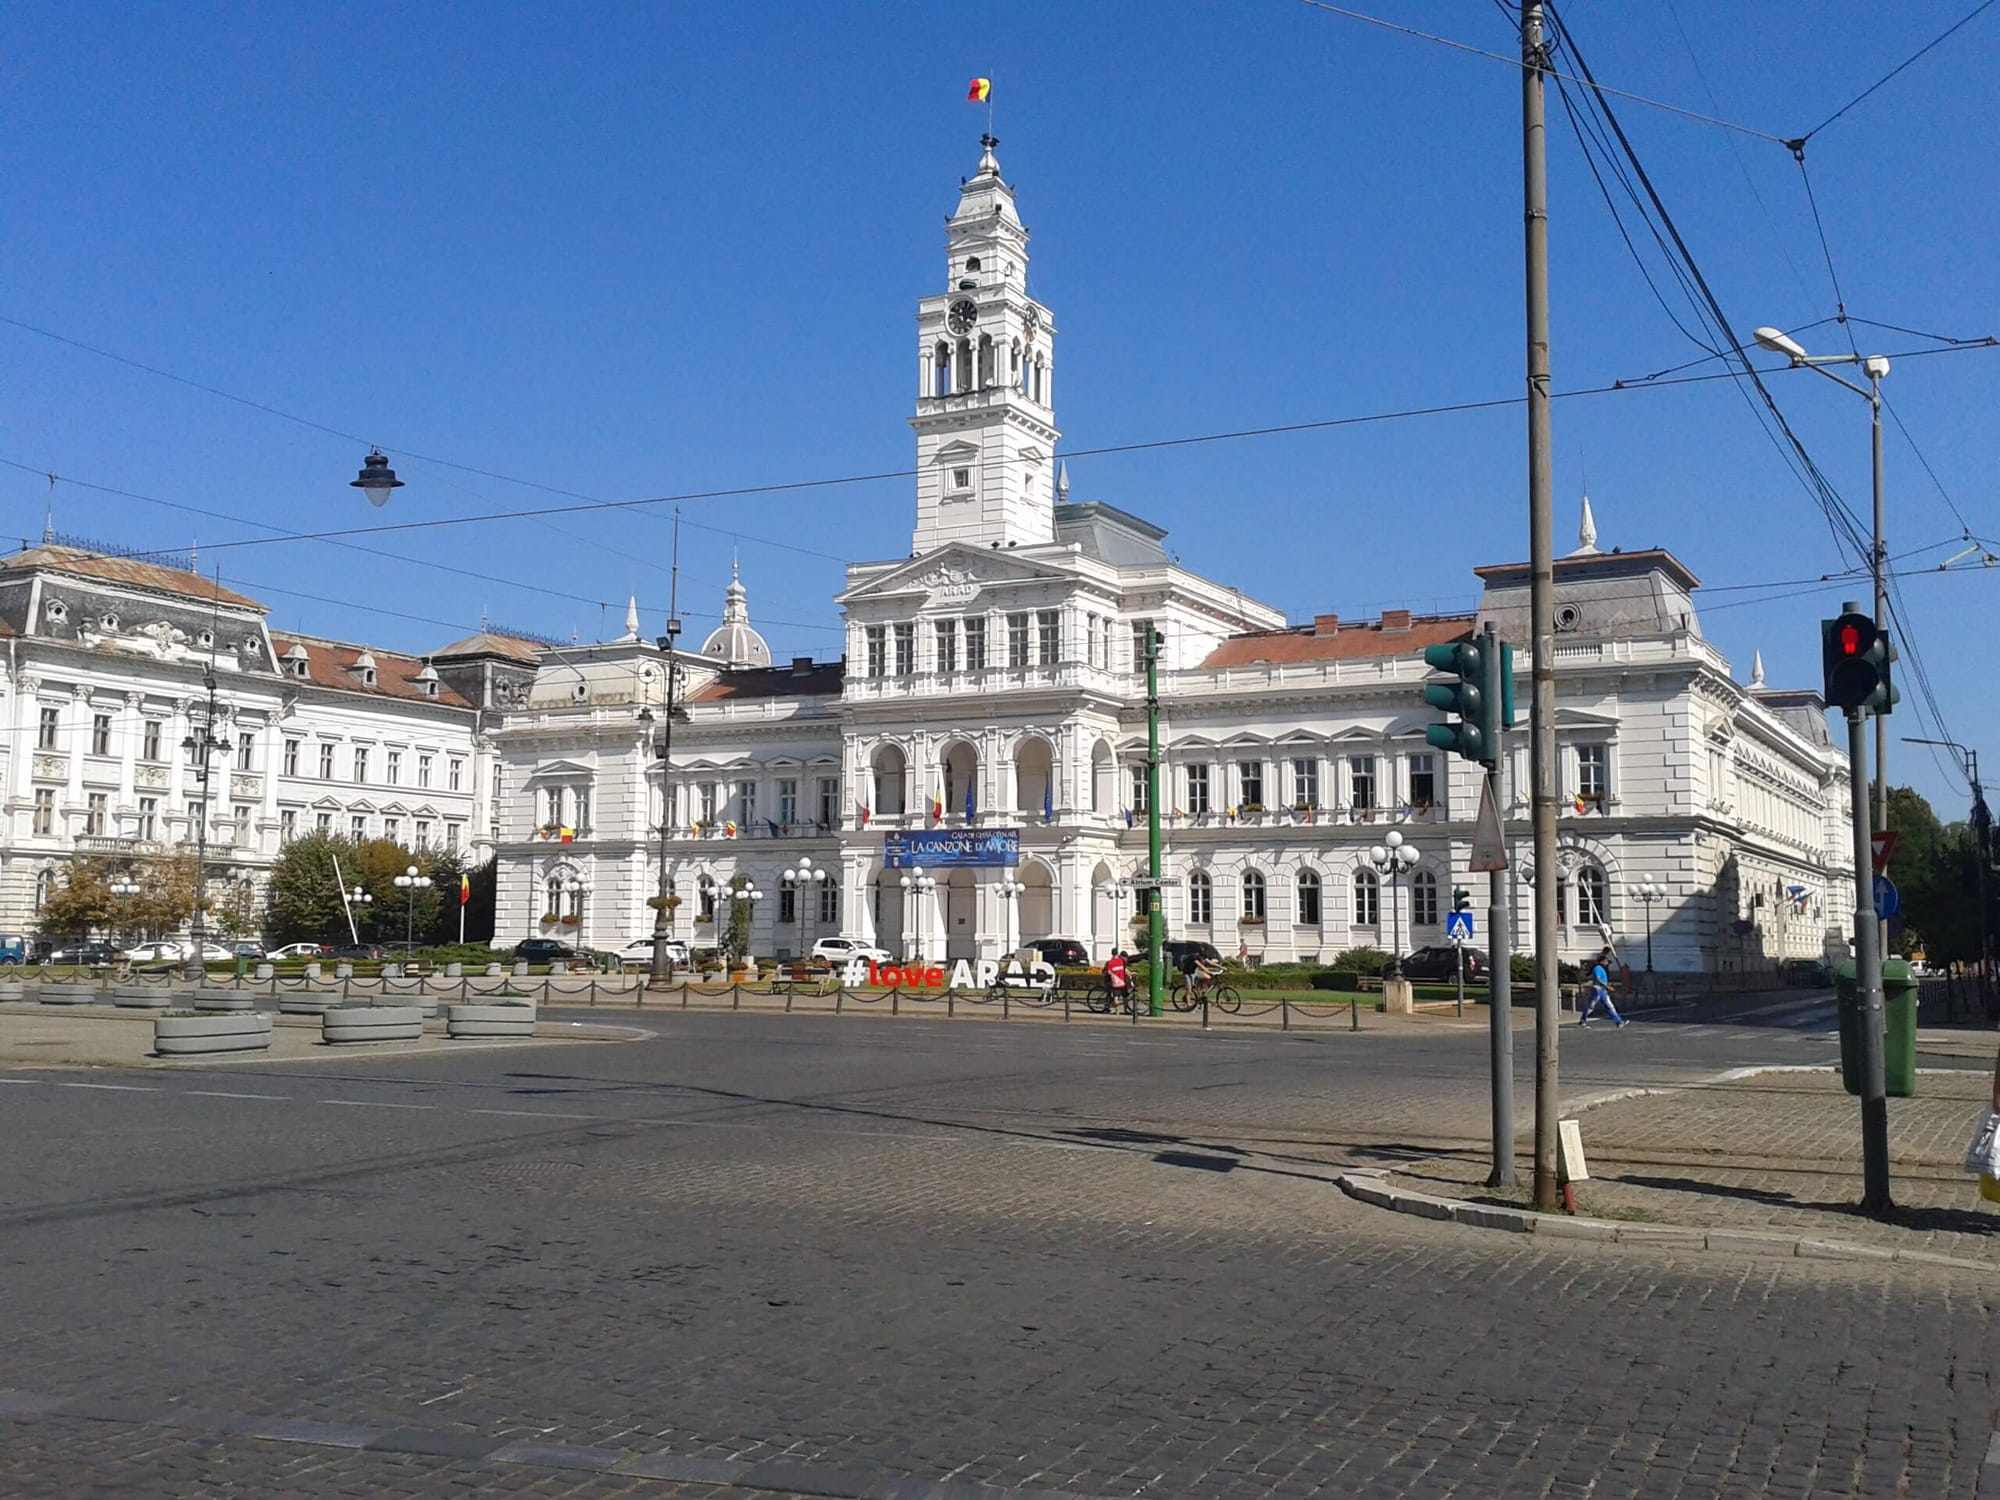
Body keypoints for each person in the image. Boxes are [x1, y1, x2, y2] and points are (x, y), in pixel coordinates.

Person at [1579, 946, 1628, 1028]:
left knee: (1609, 1006)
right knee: (1591, 1006)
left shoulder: (1601, 968)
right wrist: (1607, 986)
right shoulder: (1597, 968)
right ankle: (1583, 1020)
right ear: (1601, 961)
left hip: (1602, 990)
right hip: (1597, 989)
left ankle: (1619, 1021)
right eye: (1606, 961)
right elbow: (1598, 979)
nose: (1607, 962)